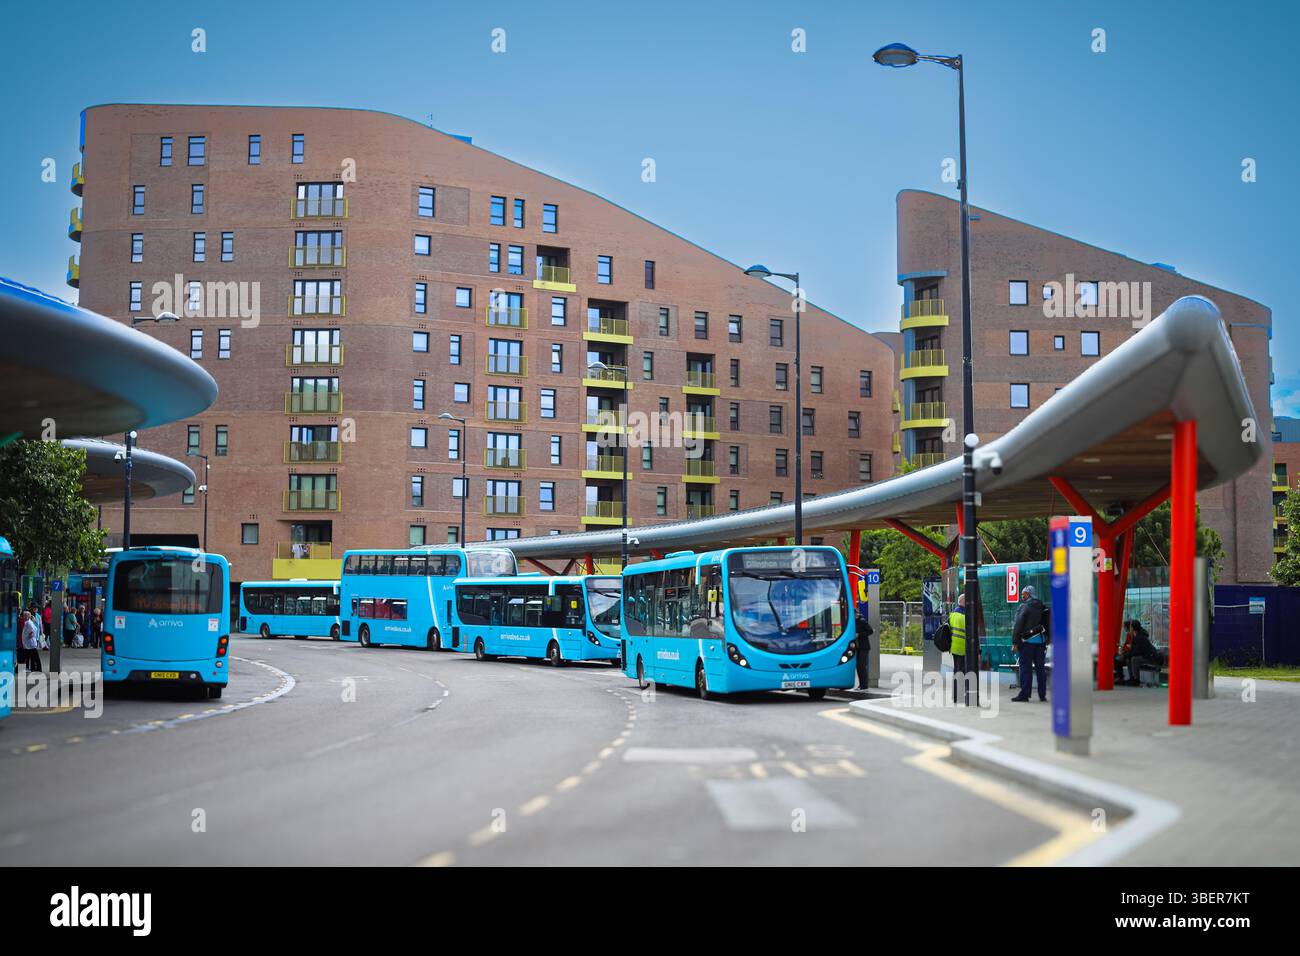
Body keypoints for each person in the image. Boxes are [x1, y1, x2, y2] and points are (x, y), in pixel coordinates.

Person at [1011, 584, 1048, 702]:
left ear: (1028, 594)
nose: (1022, 596)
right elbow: (1048, 624)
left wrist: (1015, 643)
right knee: (1040, 669)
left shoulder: (1024, 607)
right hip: (1041, 642)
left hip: (1027, 643)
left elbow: (1018, 625)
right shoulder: (1043, 607)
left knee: (1025, 669)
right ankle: (1042, 694)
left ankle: (1024, 694)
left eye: (1023, 594)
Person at [1125, 620, 1161, 685]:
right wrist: (1126, 655)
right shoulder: (1136, 636)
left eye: (1130, 627)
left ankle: (1136, 679)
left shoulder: (1140, 637)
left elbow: (1139, 651)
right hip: (1146, 656)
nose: (1129, 628)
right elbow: (1134, 650)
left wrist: (1127, 655)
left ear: (1133, 628)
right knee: (1129, 659)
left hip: (1150, 657)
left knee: (1134, 659)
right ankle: (1132, 678)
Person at [948, 592, 968, 704]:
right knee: (963, 672)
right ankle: (962, 695)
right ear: (963, 602)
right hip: (963, 648)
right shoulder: (965, 616)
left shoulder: (952, 615)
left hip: (954, 648)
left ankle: (956, 696)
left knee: (956, 671)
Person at [854, 597, 874, 690]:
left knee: (861, 665)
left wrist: (859, 634)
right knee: (858, 665)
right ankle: (861, 685)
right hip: (857, 646)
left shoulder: (862, 621)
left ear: (856, 613)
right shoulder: (853, 622)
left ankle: (864, 685)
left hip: (864, 646)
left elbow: (870, 631)